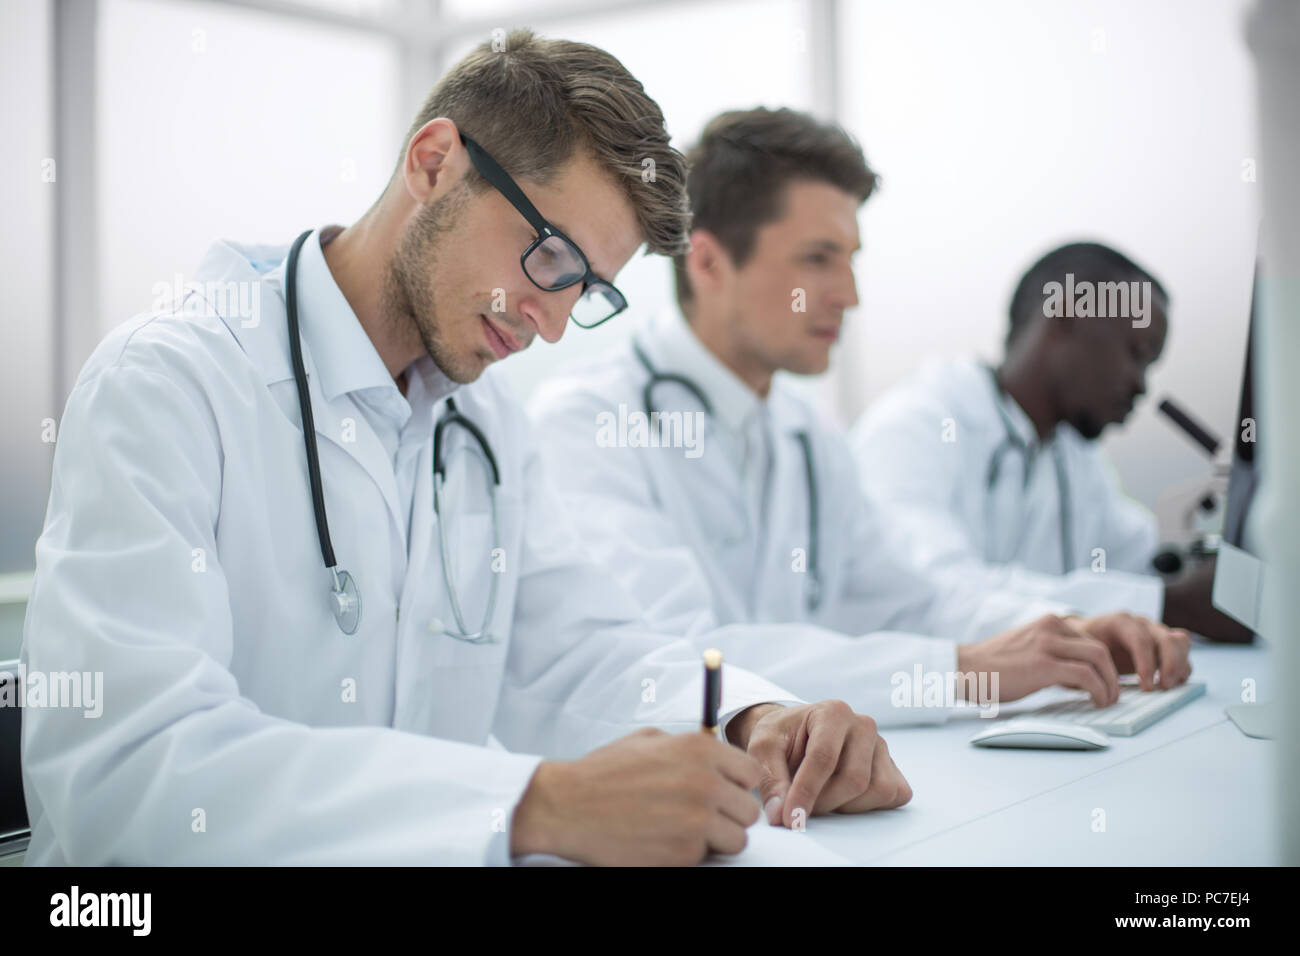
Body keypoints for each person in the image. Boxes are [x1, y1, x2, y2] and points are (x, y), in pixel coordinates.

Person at [19, 32, 913, 868]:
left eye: (589, 290)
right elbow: (127, 769)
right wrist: (530, 804)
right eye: (551, 259)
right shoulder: (169, 386)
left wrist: (758, 719)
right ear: (434, 161)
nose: (554, 324)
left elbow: (577, 650)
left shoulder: (481, 426)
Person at [529, 108, 1192, 726]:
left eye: (850, 261)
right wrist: (965, 670)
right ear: (707, 262)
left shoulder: (806, 432)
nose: (848, 295)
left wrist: (1064, 628)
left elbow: (913, 600)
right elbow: (682, 659)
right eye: (818, 259)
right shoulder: (588, 424)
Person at [851, 241, 1253, 643]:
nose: (1141, 385)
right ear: (1064, 316)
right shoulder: (916, 426)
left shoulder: (1071, 453)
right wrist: (1170, 605)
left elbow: (1138, 557)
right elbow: (934, 593)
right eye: (1137, 352)